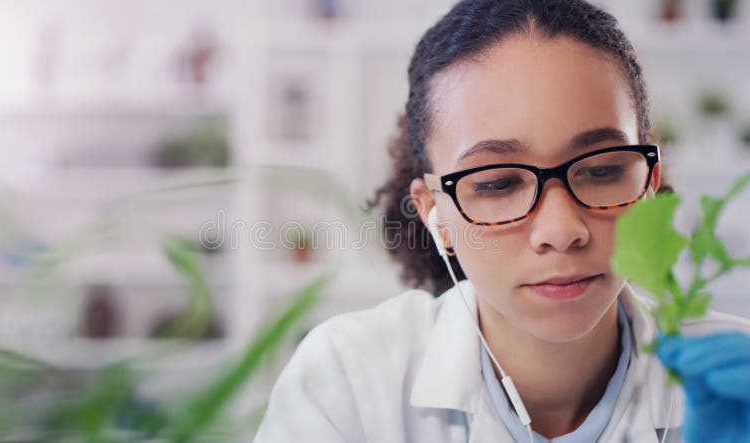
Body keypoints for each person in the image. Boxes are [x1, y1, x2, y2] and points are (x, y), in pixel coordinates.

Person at [254, 1, 750, 442]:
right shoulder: (346, 386)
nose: (561, 230)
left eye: (601, 171)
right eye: (495, 183)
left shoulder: (737, 378)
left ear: (648, 184)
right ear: (434, 212)